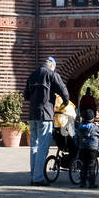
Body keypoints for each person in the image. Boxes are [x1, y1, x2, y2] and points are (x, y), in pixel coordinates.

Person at [23, 56, 69, 186]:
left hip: (32, 115)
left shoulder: (32, 75)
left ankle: (33, 175)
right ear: (52, 66)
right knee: (43, 147)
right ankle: (38, 178)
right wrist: (66, 102)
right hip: (45, 115)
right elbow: (63, 90)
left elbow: (26, 95)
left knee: (34, 146)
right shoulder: (51, 74)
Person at [76, 107, 99, 189]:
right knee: (91, 166)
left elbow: (77, 133)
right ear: (92, 118)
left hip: (82, 148)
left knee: (83, 166)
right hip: (92, 149)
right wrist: (98, 125)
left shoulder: (80, 127)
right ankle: (92, 183)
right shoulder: (94, 127)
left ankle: (82, 183)